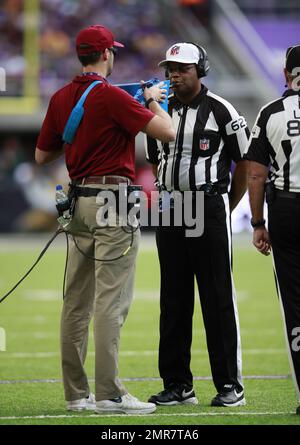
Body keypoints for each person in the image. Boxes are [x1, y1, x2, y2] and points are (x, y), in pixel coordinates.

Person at [35, 24, 175, 414]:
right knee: (111, 302)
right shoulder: (113, 96)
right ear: (106, 55)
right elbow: (168, 131)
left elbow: (42, 156)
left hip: (77, 202)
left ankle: (76, 395)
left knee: (76, 303)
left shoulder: (61, 97)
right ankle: (111, 393)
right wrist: (150, 100)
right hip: (113, 201)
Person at [146, 42, 249, 407]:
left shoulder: (221, 110)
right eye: (170, 68)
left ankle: (229, 384)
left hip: (208, 203)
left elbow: (246, 164)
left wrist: (224, 204)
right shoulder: (159, 110)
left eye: (182, 68)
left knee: (217, 295)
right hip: (171, 205)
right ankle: (177, 383)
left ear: (200, 69)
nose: (174, 74)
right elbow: (155, 158)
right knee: (173, 298)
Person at [245, 45, 300, 416]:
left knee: (295, 307)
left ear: (286, 75)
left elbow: (256, 173)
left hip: (289, 210)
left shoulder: (271, 113)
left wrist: (258, 222)